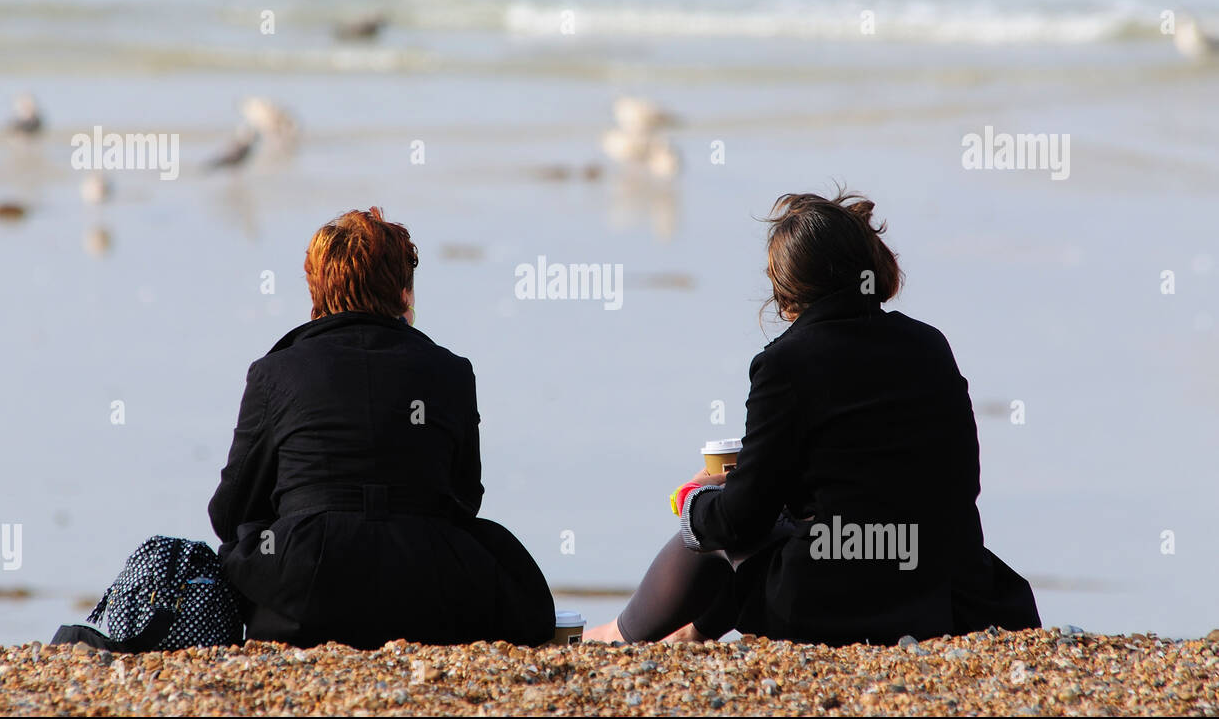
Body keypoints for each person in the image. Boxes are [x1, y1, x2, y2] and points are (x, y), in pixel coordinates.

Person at [585, 190, 1041, 646]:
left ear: (786, 291)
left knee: (715, 524)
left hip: (842, 597)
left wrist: (692, 498)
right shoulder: (929, 345)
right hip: (950, 591)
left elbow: (742, 521)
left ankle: (620, 635)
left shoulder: (785, 363)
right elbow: (951, 480)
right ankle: (689, 632)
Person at [209, 207, 554, 649]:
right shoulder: (450, 371)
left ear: (317, 290)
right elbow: (464, 497)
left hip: (305, 597)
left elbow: (230, 511)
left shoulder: (276, 372)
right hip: (430, 594)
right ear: (403, 291)